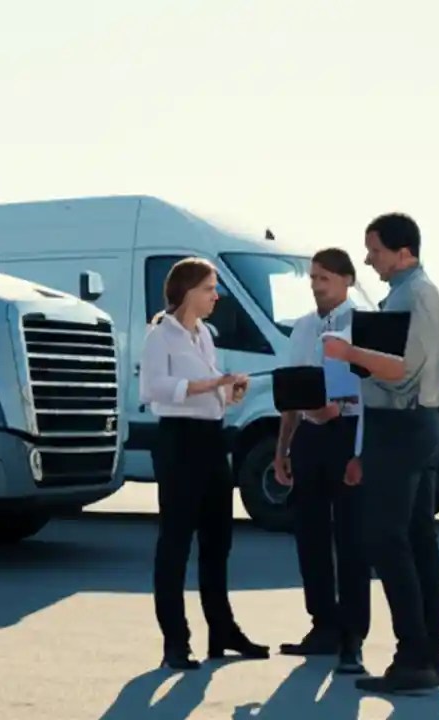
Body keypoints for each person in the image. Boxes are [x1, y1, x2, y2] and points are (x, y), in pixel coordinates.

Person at [321, 213, 439, 694]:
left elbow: (402, 370)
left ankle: (415, 654)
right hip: (401, 427)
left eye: (373, 250)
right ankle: (424, 657)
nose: (367, 259)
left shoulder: (417, 295)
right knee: (415, 542)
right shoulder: (403, 294)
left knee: (386, 540)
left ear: (403, 252)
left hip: (404, 426)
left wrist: (348, 354)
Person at [138, 256, 270, 670]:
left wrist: (228, 392)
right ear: (188, 291)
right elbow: (153, 389)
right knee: (175, 541)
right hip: (179, 441)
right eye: (210, 288)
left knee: (218, 540)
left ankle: (222, 630)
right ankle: (175, 641)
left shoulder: (205, 335)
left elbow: (206, 390)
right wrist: (212, 383)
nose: (216, 296)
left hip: (212, 440)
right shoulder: (160, 336)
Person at [274, 248, 370, 675]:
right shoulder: (304, 328)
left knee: (351, 538)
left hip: (347, 433)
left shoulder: (363, 325)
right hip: (311, 435)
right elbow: (293, 390)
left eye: (325, 278)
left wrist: (361, 452)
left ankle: (353, 637)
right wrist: (283, 449)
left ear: (347, 280)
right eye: (312, 277)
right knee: (309, 534)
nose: (316, 285)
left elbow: (370, 397)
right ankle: (323, 627)